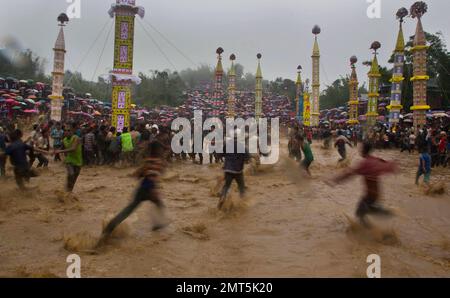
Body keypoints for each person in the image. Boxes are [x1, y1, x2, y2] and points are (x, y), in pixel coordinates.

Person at [97, 140, 169, 247]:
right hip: (150, 189)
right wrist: (153, 191)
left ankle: (109, 228)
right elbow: (153, 176)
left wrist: (136, 174)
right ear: (158, 151)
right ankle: (157, 225)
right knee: (159, 205)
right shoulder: (159, 162)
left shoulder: (148, 160)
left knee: (129, 210)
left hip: (142, 188)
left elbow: (139, 174)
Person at [327, 142, 397, 228]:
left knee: (360, 213)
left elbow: (350, 173)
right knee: (363, 212)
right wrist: (393, 165)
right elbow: (385, 163)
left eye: (360, 149)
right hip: (376, 194)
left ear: (363, 150)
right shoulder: (374, 160)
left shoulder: (365, 164)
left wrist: (335, 180)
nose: (359, 150)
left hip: (369, 195)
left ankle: (371, 230)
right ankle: (383, 216)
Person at [218, 133, 250, 209]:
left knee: (226, 186)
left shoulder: (227, 145)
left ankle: (223, 196)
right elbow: (247, 157)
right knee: (241, 186)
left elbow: (220, 154)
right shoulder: (242, 146)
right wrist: (245, 160)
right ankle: (242, 203)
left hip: (228, 169)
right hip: (238, 170)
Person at [55, 123, 83, 193]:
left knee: (73, 179)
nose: (67, 132)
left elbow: (73, 148)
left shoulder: (76, 138)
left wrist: (60, 151)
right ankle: (66, 190)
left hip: (78, 161)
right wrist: (55, 151)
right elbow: (61, 147)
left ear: (73, 131)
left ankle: (68, 192)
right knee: (71, 174)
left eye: (69, 130)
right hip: (69, 160)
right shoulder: (64, 140)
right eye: (65, 130)